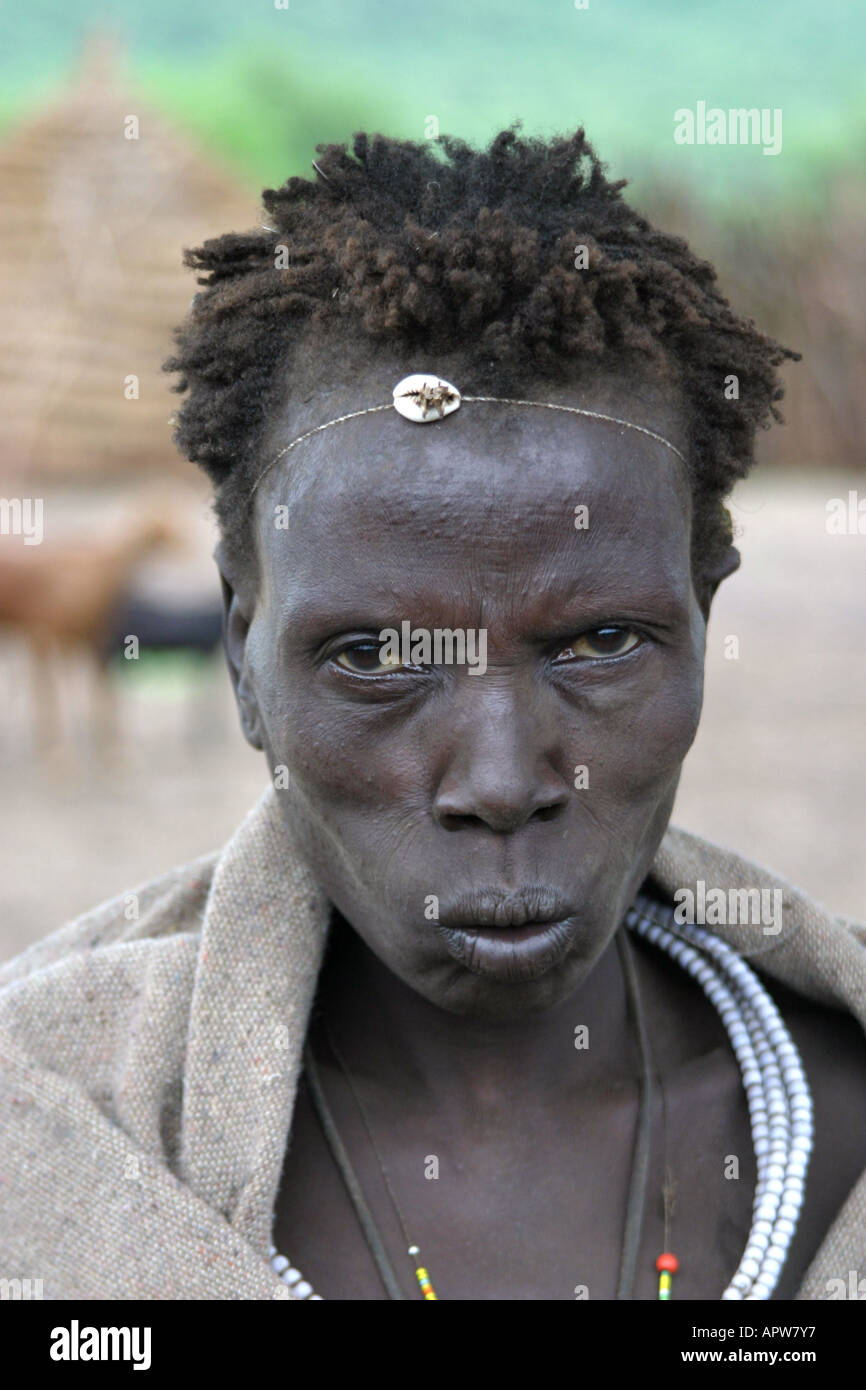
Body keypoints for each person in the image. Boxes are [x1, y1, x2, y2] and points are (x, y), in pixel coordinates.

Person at [1, 127, 864, 1302]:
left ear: (703, 619)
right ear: (243, 657)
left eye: (600, 643)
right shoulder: (48, 1123)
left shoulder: (837, 1121)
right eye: (373, 657)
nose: (501, 780)